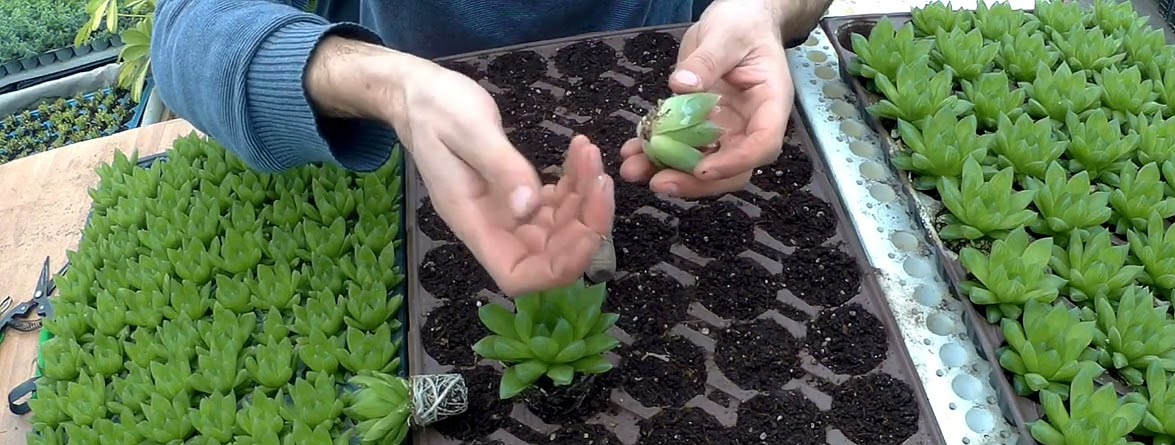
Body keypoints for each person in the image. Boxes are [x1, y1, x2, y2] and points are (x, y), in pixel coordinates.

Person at [151, 0, 833, 296]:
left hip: (673, 167)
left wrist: (764, 13)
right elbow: (183, 35)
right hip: (440, 168)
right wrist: (386, 85)